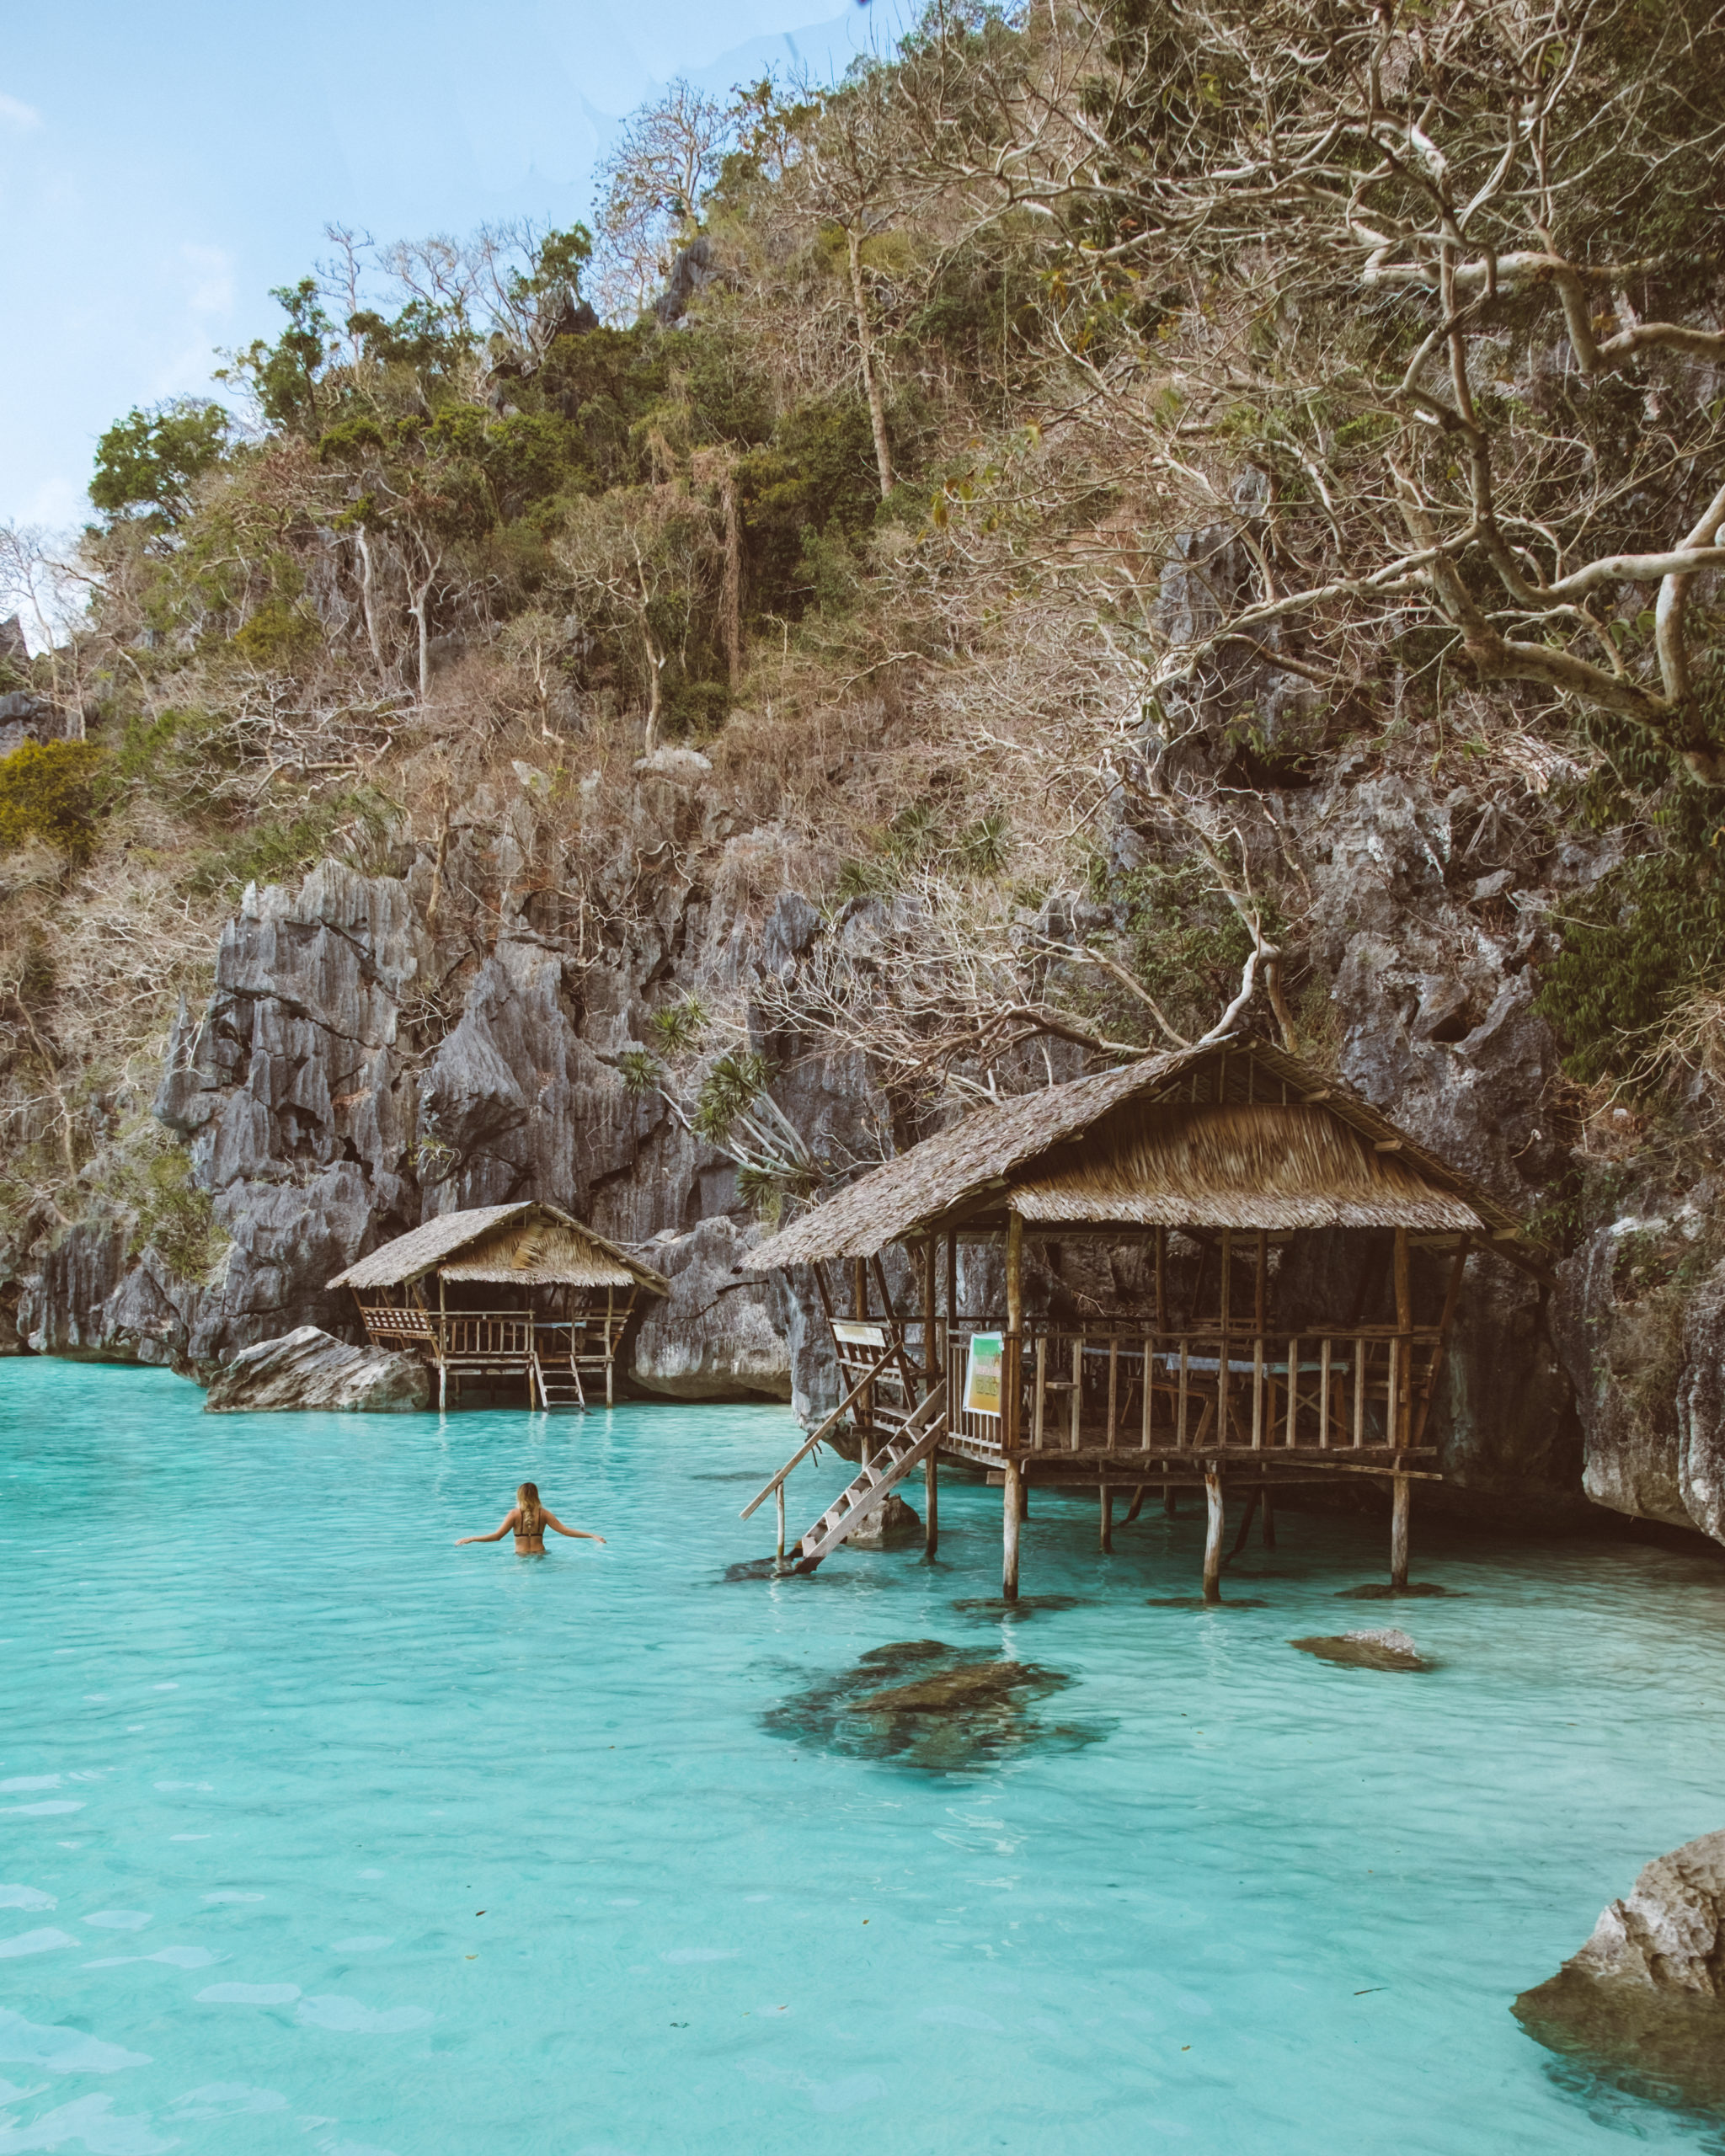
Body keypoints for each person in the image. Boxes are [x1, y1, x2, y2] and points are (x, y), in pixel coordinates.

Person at [456, 1481, 606, 1555]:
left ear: (519, 1495)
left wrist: (471, 1539)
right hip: (541, 1555)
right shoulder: (544, 1513)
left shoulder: (514, 1514)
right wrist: (591, 1535)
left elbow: (497, 1537)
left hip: (521, 1557)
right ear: (537, 1495)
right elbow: (565, 1531)